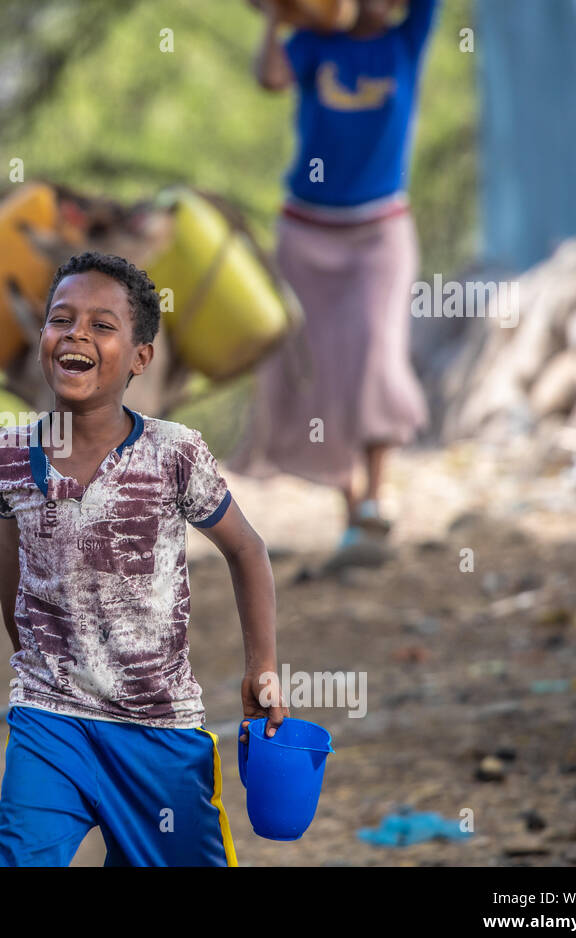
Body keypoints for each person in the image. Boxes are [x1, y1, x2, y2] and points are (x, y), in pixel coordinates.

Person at [0, 252, 288, 867]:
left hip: (159, 732)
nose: (76, 335)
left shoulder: (174, 453)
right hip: (50, 720)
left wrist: (263, 667)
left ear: (140, 358)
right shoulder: (8, 454)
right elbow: (4, 546)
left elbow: (246, 548)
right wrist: (31, 648)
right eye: (61, 319)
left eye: (102, 325)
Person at [234, 0, 438, 547]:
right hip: (305, 232)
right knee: (319, 369)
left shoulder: (406, 40)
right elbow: (270, 77)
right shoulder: (314, 44)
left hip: (381, 233)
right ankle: (351, 506)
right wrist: (279, 14)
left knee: (374, 353)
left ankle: (378, 490)